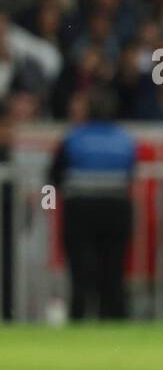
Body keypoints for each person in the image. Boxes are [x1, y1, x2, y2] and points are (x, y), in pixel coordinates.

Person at [47, 89, 137, 320]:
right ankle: (114, 319)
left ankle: (78, 317)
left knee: (80, 270)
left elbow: (55, 174)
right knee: (114, 269)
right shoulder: (124, 139)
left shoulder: (73, 137)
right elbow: (130, 173)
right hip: (117, 208)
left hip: (80, 209)